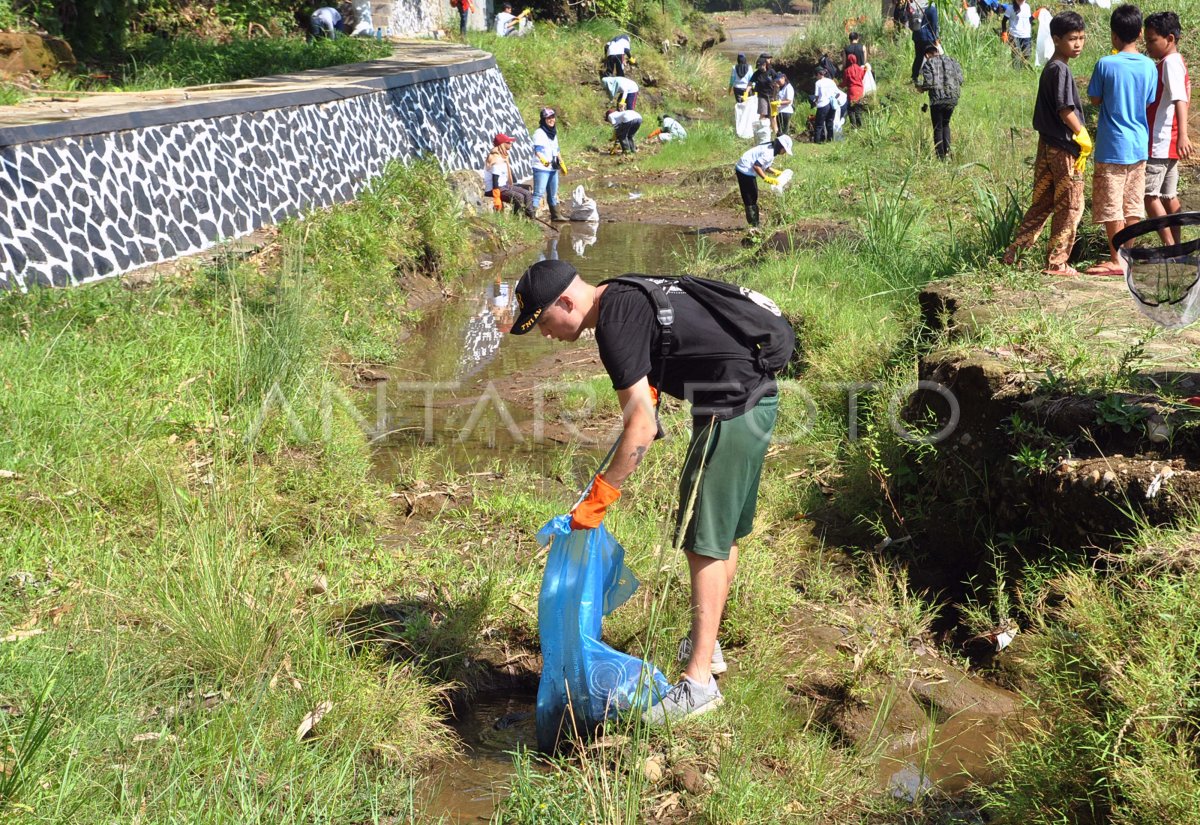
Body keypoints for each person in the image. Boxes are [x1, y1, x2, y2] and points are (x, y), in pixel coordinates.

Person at [507, 259, 790, 723]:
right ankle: (708, 642)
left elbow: (640, 429)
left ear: (565, 301)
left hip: (733, 408)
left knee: (704, 542)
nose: (545, 334)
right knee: (720, 536)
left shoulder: (614, 323)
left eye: (542, 322)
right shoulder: (624, 292)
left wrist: (599, 499)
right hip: (754, 398)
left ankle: (698, 685)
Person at [1003, 11, 1090, 277]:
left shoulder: (1051, 68)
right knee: (1071, 204)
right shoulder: (1060, 70)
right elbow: (1066, 110)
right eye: (1072, 39)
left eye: (1082, 38)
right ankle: (1057, 262)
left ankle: (1013, 255)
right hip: (1064, 148)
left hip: (1047, 146)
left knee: (1041, 204)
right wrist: (1082, 135)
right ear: (1056, 39)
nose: (1078, 44)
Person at [1085, 4, 1158, 275]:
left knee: (1111, 202)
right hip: (1139, 143)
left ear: (1114, 35)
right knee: (1133, 202)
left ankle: (1117, 259)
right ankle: (1126, 255)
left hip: (1111, 145)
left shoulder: (1105, 63)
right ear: (1140, 33)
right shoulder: (1150, 66)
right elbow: (1149, 100)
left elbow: (1094, 99)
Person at [1143, 11, 1192, 245]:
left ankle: (1169, 245)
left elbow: (1180, 99)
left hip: (1160, 141)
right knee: (1168, 195)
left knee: (1149, 195)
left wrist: (1183, 135)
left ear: (1169, 39)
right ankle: (1179, 246)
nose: (1148, 46)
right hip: (1169, 142)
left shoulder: (1170, 63)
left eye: (1152, 40)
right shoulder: (1175, 61)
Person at [916, 43, 963, 159]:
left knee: (938, 127)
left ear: (927, 55)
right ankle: (947, 153)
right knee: (946, 124)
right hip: (952, 99)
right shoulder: (952, 61)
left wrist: (920, 88)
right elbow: (960, 80)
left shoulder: (928, 63)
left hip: (937, 100)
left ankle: (940, 157)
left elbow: (929, 83)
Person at [734, 134, 793, 227]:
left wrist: (775, 172)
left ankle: (755, 223)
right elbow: (757, 166)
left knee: (753, 195)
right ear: (781, 147)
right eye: (785, 150)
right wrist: (766, 178)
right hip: (744, 170)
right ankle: (754, 224)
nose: (784, 152)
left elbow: (764, 165)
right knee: (750, 197)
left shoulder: (771, 149)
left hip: (747, 169)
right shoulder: (769, 152)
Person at [484, 133, 534, 218]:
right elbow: (495, 180)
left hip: (504, 186)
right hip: (494, 188)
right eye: (508, 142)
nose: (511, 144)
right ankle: (516, 220)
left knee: (527, 194)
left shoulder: (503, 156)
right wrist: (497, 198)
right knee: (519, 197)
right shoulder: (496, 158)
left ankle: (531, 218)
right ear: (502, 144)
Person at [531, 107, 564, 221]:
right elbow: (537, 150)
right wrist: (543, 160)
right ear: (543, 119)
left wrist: (562, 163)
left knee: (553, 193)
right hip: (541, 168)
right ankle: (531, 218)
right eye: (548, 118)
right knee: (538, 193)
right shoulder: (539, 133)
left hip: (553, 167)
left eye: (552, 117)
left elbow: (557, 149)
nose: (551, 120)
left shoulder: (554, 133)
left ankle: (556, 215)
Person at [908, 0, 939, 83]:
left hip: (917, 36)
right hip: (928, 37)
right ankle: (930, 78)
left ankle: (914, 77)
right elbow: (934, 24)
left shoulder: (915, 7)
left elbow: (911, 24)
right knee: (931, 57)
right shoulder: (931, 8)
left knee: (919, 57)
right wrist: (936, 38)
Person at [811, 66, 840, 143]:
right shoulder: (831, 81)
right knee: (829, 123)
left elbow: (816, 96)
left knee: (819, 124)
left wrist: (815, 101)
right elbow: (838, 93)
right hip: (832, 105)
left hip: (822, 105)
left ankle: (818, 140)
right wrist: (833, 99)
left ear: (818, 74)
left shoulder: (818, 83)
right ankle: (830, 140)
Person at [749, 54, 776, 133]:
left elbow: (777, 80)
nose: (759, 68)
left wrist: (776, 89)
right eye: (758, 67)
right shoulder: (756, 73)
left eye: (760, 66)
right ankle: (762, 131)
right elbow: (750, 83)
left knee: (773, 115)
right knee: (762, 114)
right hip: (762, 96)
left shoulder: (771, 71)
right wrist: (746, 93)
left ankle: (775, 131)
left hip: (772, 96)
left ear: (764, 65)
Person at [842, 54, 867, 127]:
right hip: (860, 91)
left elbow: (844, 83)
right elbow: (862, 77)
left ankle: (854, 126)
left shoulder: (847, 71)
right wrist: (865, 70)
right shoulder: (860, 69)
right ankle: (861, 126)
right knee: (858, 110)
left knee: (851, 110)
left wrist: (838, 85)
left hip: (852, 92)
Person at [1006, 0, 1033, 65]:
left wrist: (1035, 15)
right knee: (1016, 55)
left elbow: (1028, 20)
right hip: (1015, 34)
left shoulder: (1027, 7)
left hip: (1026, 35)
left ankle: (1023, 67)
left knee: (1027, 54)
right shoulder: (1010, 7)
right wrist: (1004, 33)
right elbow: (1004, 21)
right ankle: (1016, 70)